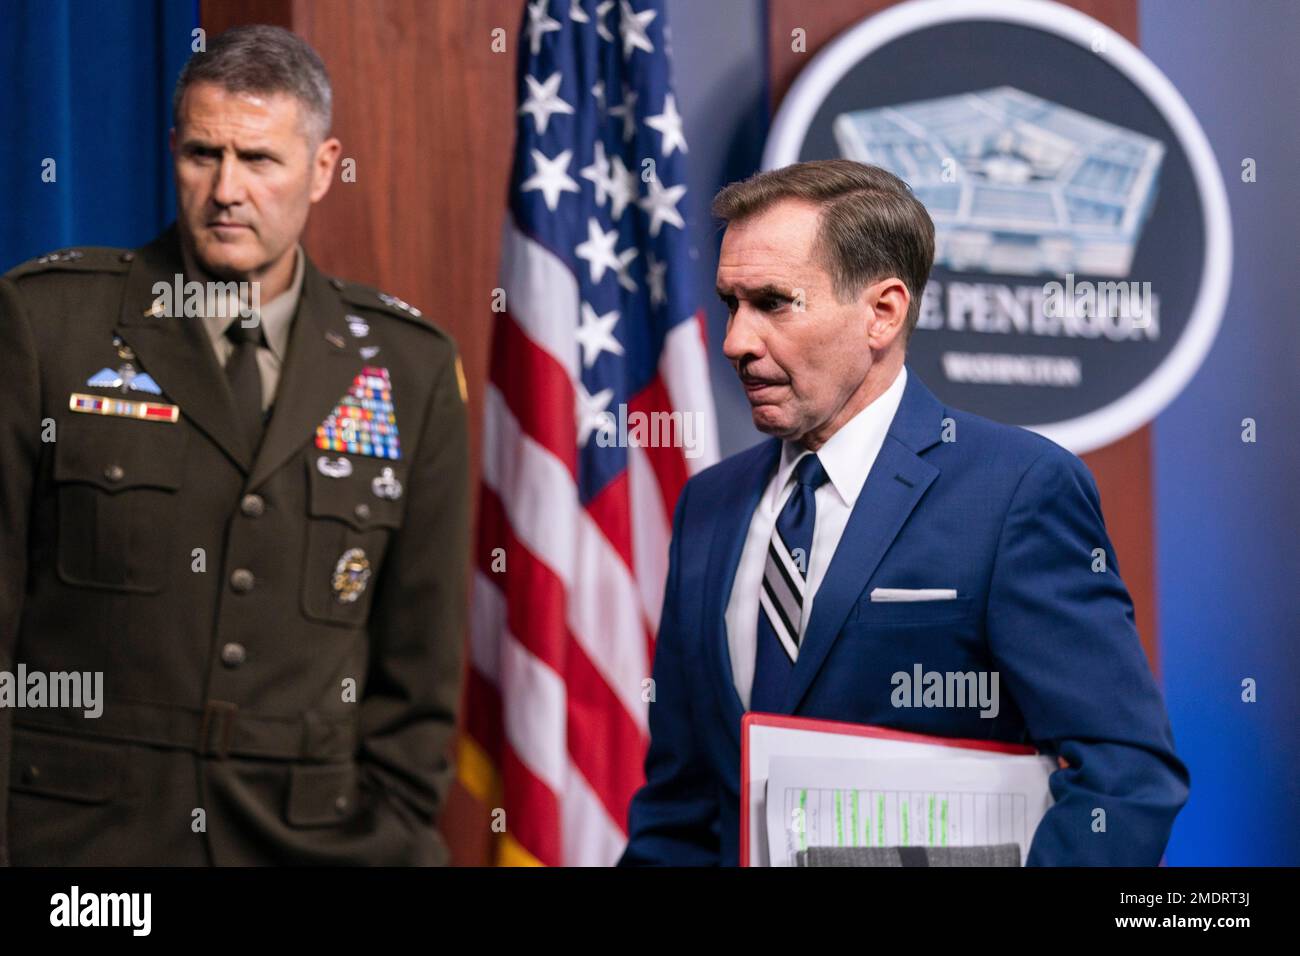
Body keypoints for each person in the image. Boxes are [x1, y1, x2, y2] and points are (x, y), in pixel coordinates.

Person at [620, 159, 1189, 866]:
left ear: (882, 312)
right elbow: (681, 807)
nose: (736, 339)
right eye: (731, 303)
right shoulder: (710, 507)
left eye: (772, 302)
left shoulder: (1016, 490)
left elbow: (1128, 779)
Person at [0, 25, 469, 865]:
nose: (226, 191)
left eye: (259, 160)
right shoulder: (48, 325)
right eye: (203, 154)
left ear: (323, 168)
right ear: (172, 150)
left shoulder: (410, 367)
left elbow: (419, 669)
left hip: (314, 843)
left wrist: (394, 840)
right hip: (82, 847)